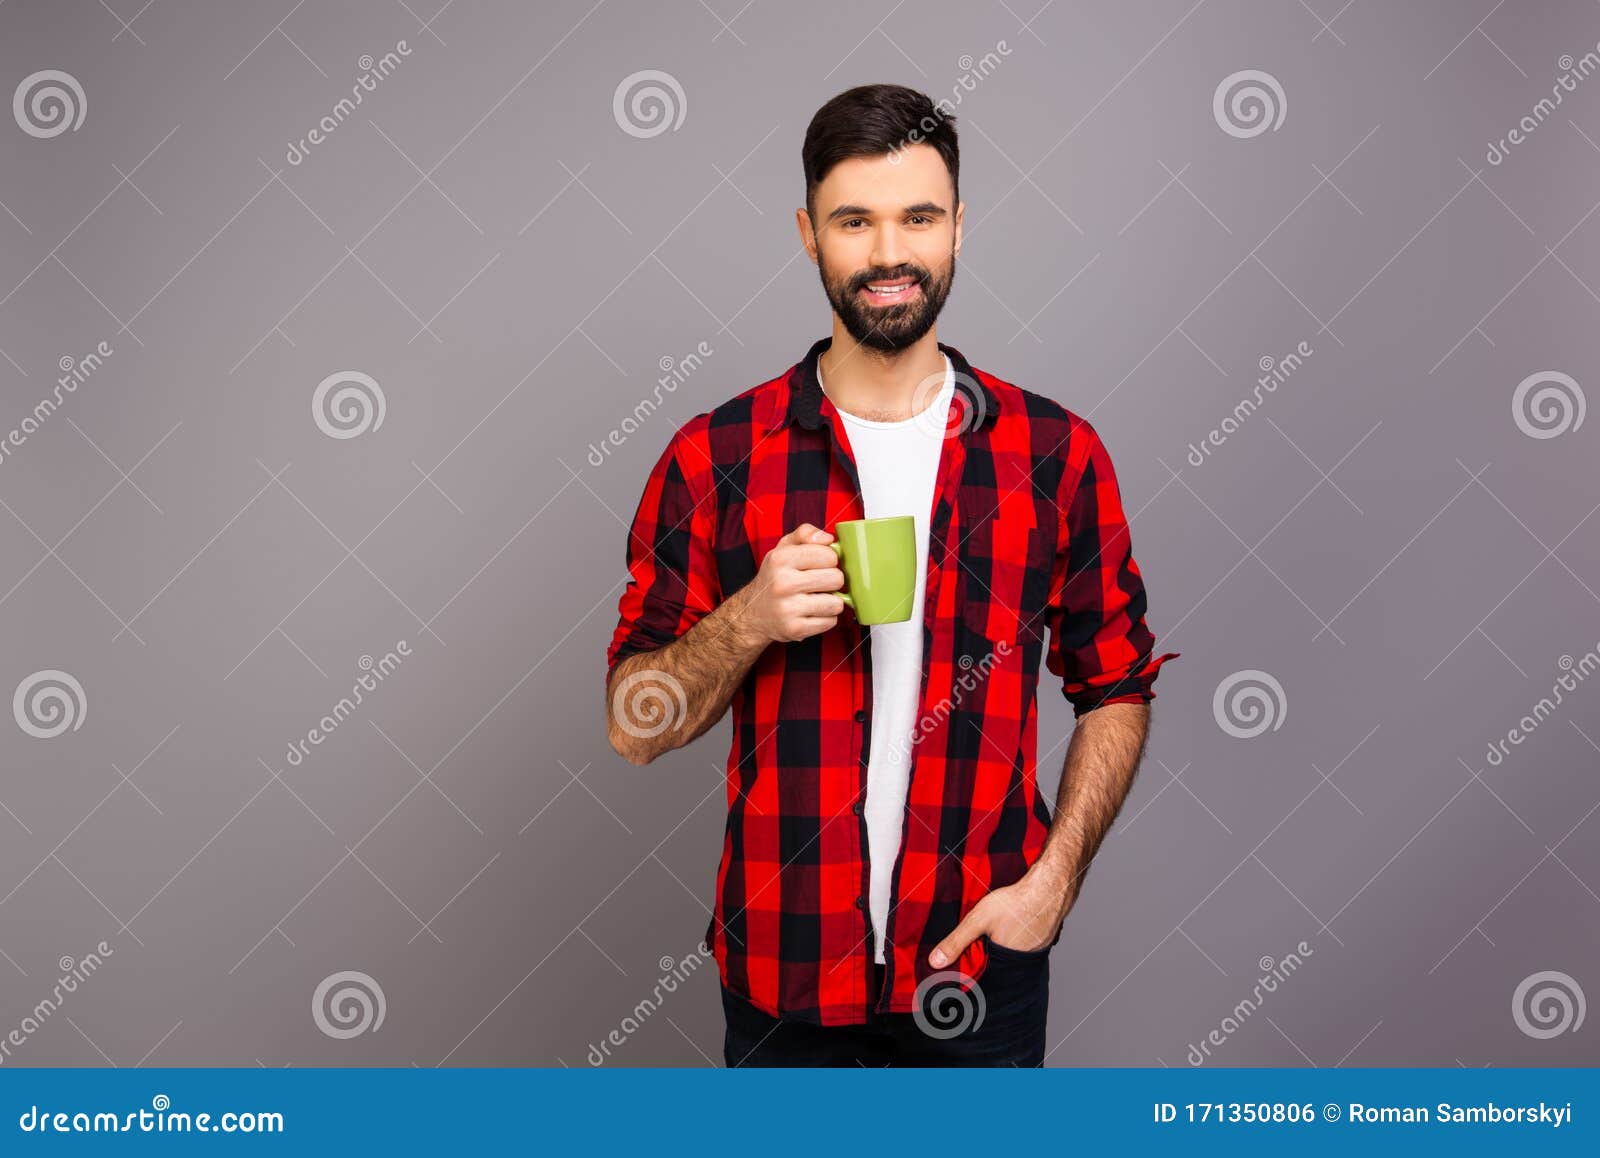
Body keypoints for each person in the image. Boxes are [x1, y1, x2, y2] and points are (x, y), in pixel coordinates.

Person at [604, 83, 1178, 1067]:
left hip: (976, 980)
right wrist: (747, 619)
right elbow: (633, 726)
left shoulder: (1052, 453)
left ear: (957, 227)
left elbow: (1116, 685)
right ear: (807, 234)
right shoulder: (718, 455)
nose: (885, 254)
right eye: (853, 221)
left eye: (916, 216)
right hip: (781, 978)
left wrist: (1055, 880)